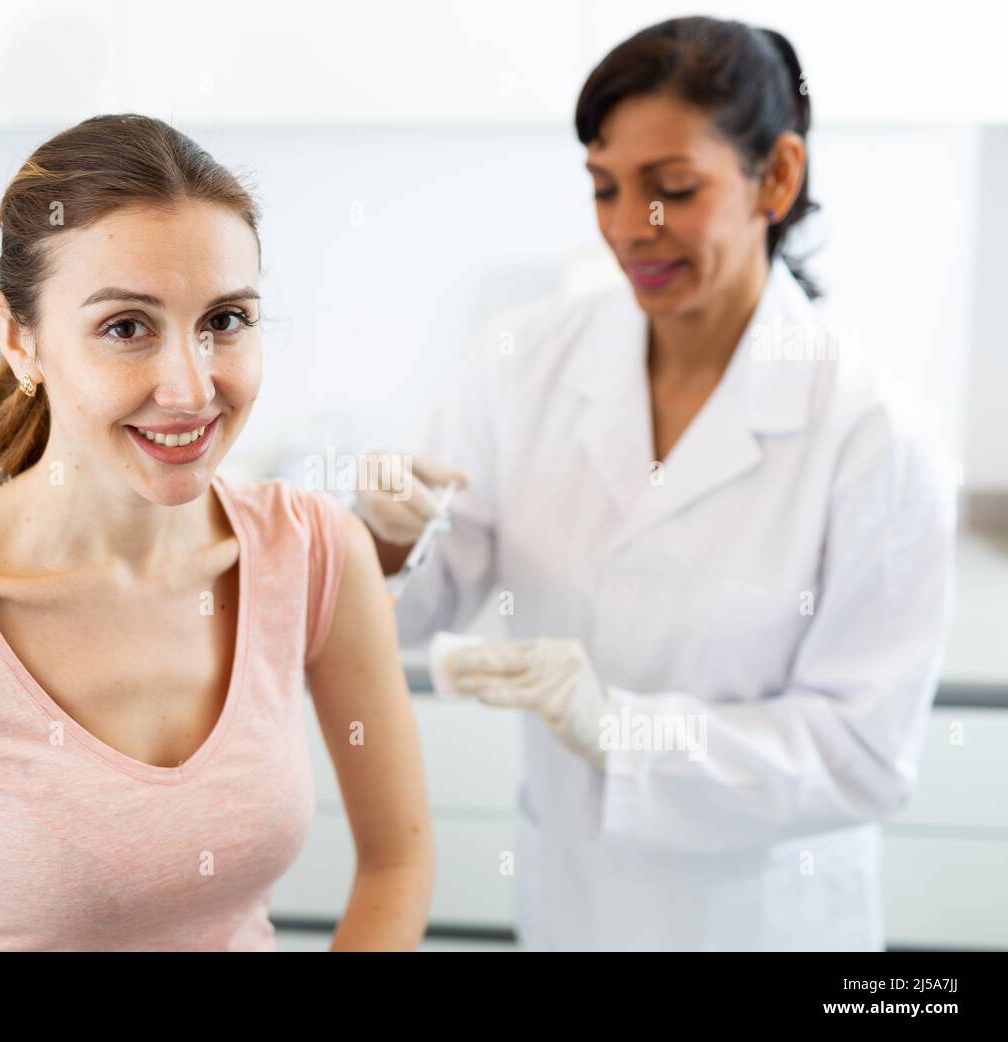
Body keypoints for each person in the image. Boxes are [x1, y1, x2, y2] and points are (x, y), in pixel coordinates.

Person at [0, 114, 432, 952]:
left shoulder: (315, 551)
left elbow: (397, 862)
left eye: (224, 320)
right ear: (17, 336)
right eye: (125, 327)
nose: (189, 388)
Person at [355, 17, 955, 951]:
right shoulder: (525, 362)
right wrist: (388, 543)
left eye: (674, 189)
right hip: (572, 905)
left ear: (778, 178)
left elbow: (864, 757)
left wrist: (625, 733)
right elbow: (417, 606)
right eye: (605, 188)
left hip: (762, 923)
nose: (633, 228)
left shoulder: (872, 431)